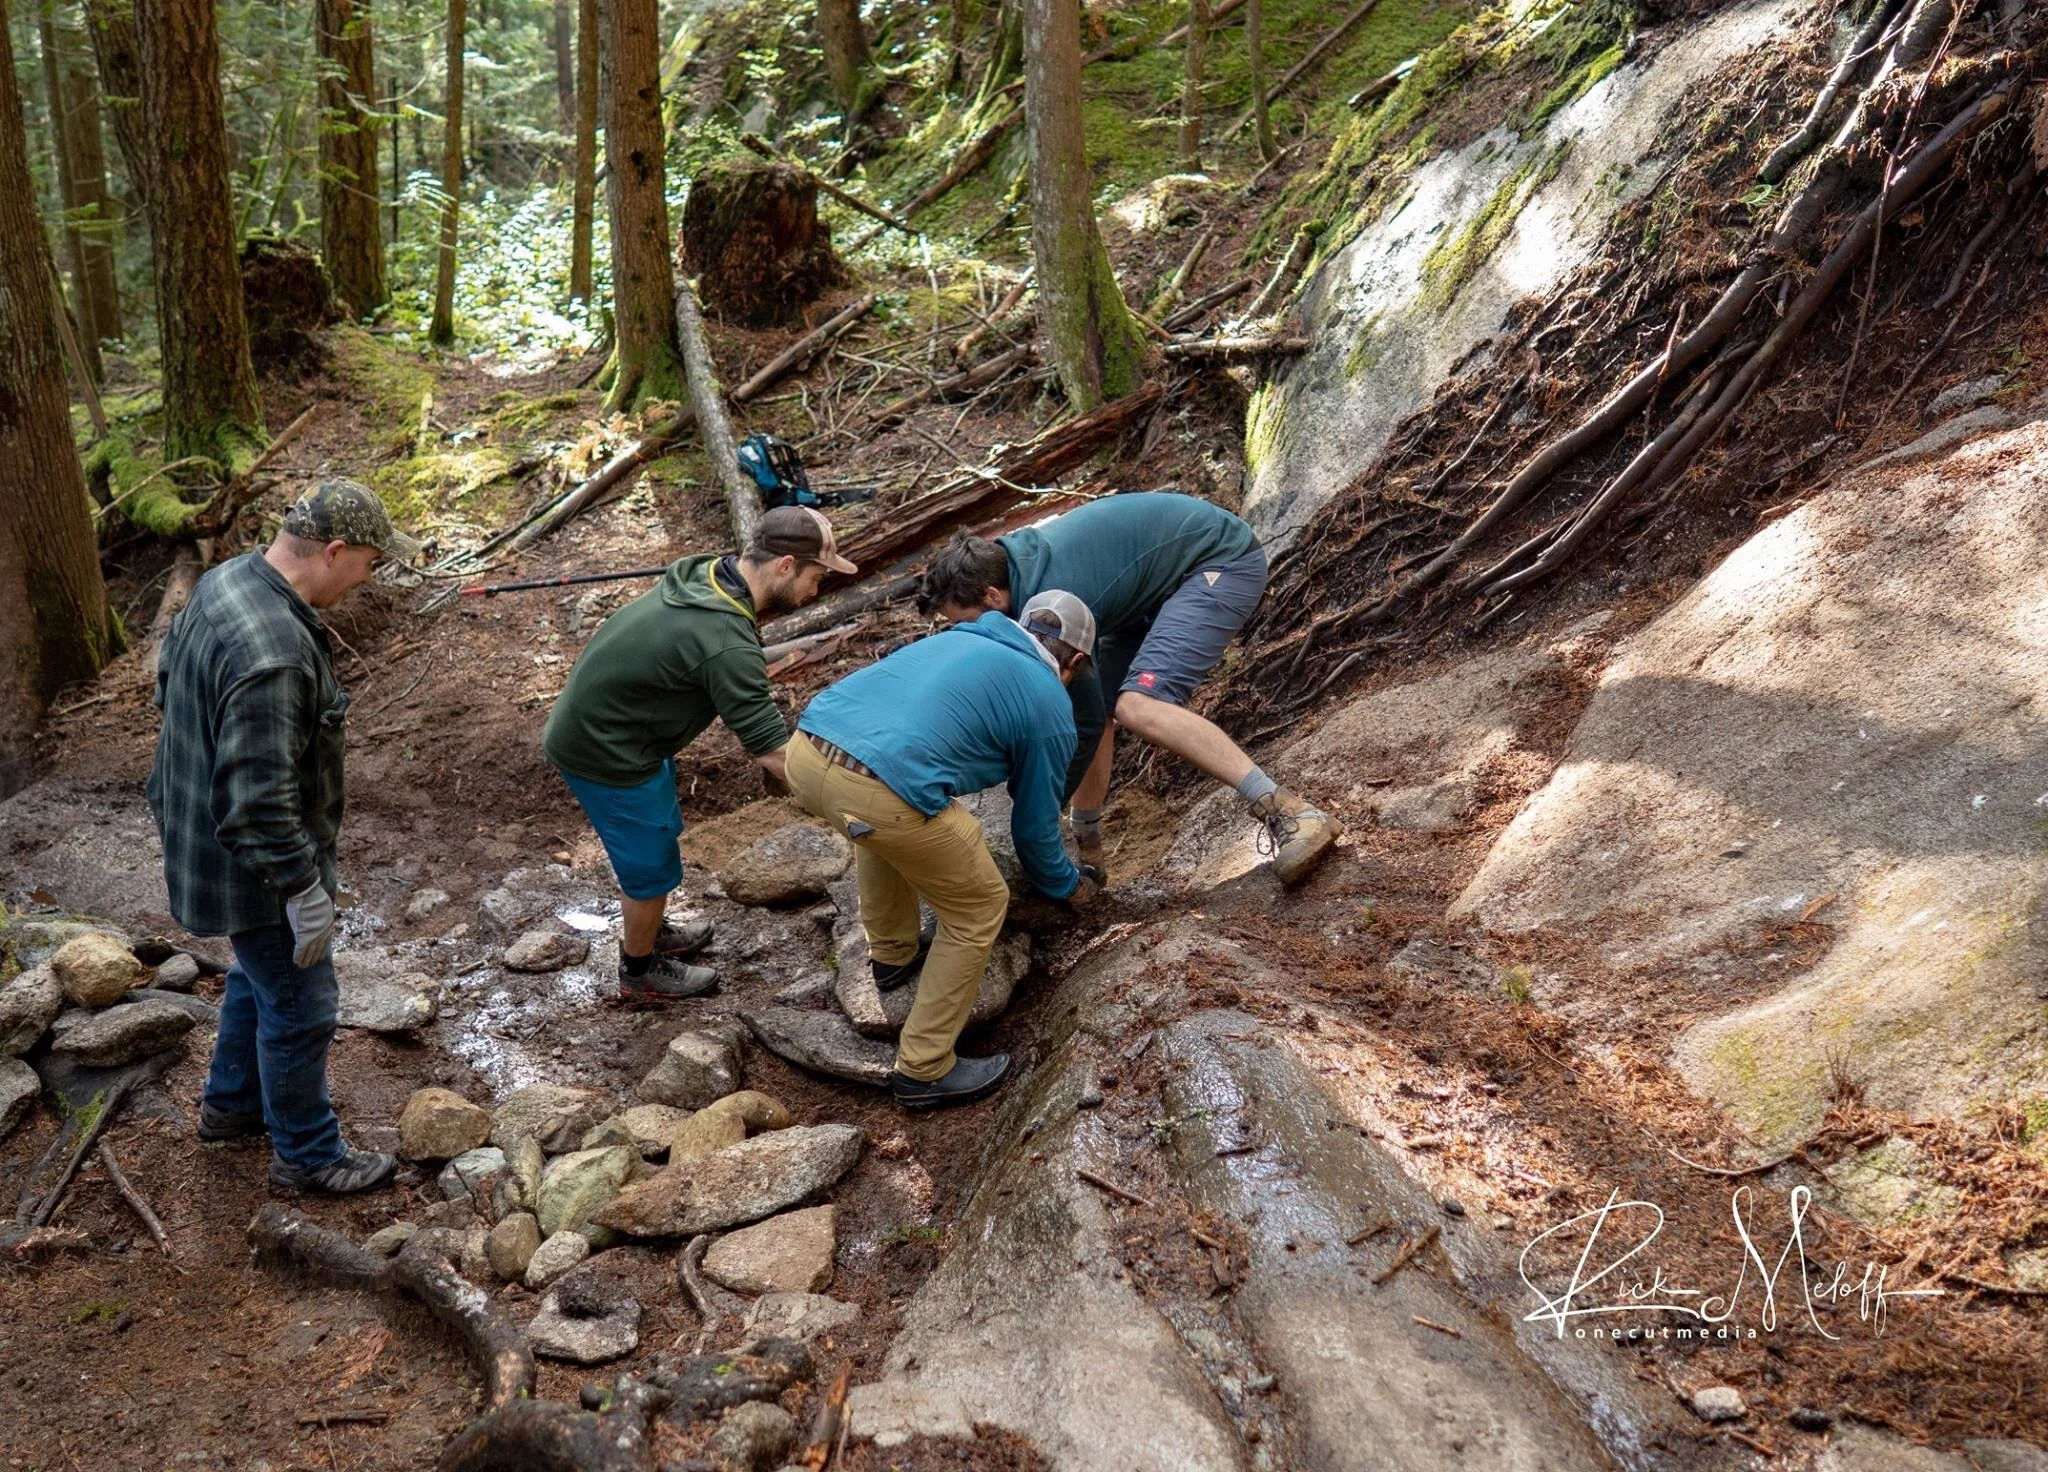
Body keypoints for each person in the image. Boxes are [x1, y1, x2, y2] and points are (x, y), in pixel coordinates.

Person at [148, 480, 421, 1195]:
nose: (370, 577)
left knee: (258, 971)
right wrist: (303, 889)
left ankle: (232, 1106)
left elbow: (169, 681)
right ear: (333, 551)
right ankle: (307, 1155)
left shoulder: (227, 580)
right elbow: (257, 806)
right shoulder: (272, 653)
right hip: (253, 865)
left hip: (202, 839)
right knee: (303, 1005)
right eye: (368, 562)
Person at [918, 490, 1341, 884]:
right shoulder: (1011, 565)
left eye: (963, 621)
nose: (968, 632)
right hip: (1145, 594)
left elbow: (1077, 719)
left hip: (1219, 562)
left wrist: (1037, 818)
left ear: (992, 596)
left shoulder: (1053, 596)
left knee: (1138, 706)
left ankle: (1289, 811)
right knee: (1103, 705)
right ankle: (1089, 851)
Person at [786, 591, 1103, 1108]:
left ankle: (891, 956)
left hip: (806, 751)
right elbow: (1035, 829)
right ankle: (925, 1069)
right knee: (978, 906)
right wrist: (1069, 885)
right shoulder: (1050, 701)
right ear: (1077, 661)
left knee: (878, 828)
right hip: (877, 786)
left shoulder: (962, 637)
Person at [543, 506, 854, 1003]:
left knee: (663, 831)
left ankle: (651, 930)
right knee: (650, 867)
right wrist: (851, 802)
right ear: (785, 565)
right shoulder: (723, 637)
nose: (816, 591)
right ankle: (640, 973)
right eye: (816, 576)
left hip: (629, 730)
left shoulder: (711, 576)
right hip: (605, 750)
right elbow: (773, 751)